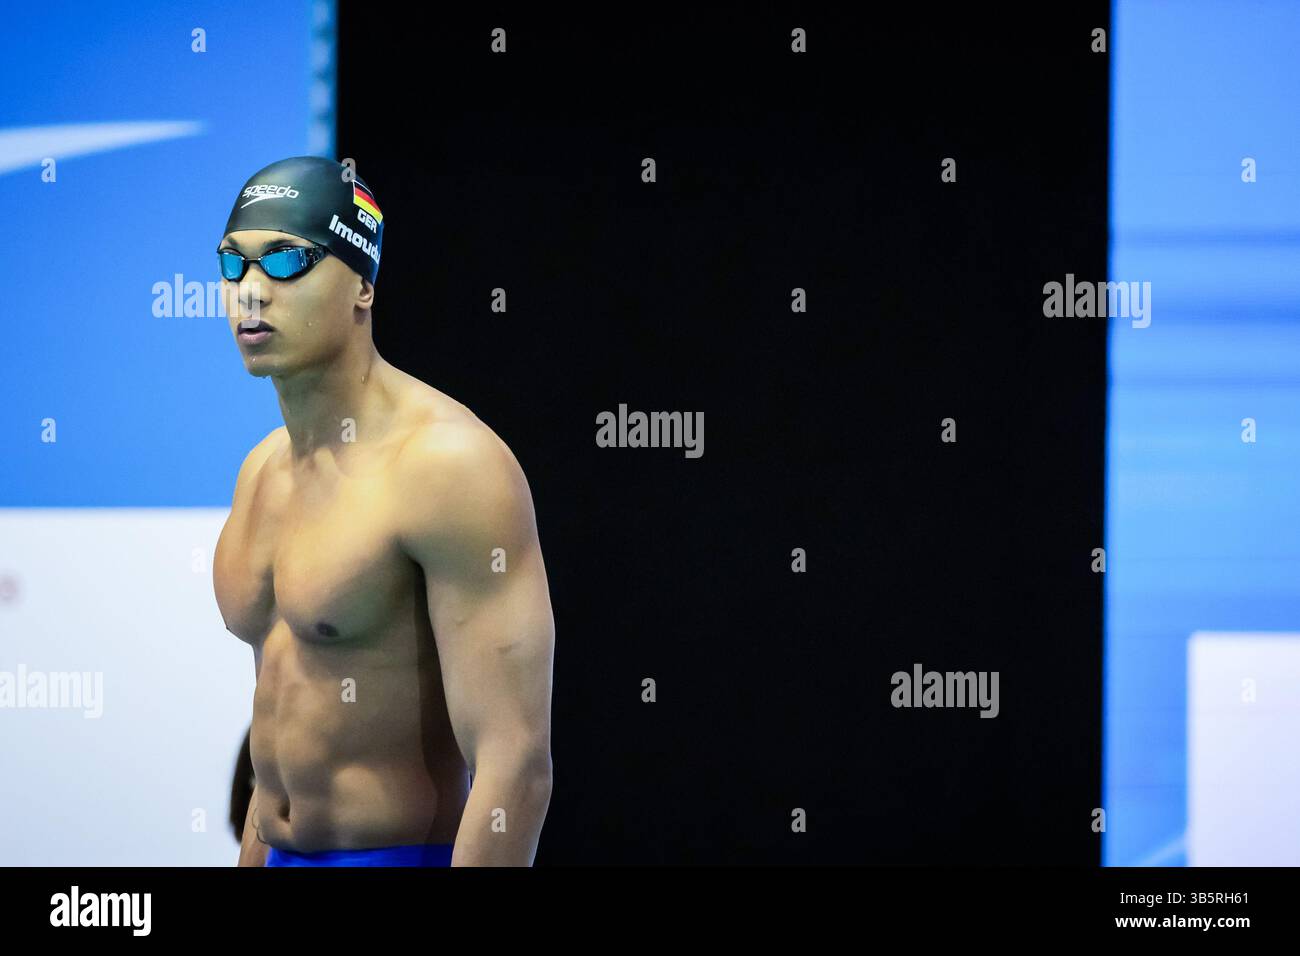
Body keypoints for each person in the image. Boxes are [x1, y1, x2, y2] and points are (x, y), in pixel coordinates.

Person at [212, 156, 555, 867]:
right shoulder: (261, 474)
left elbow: (515, 763)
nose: (251, 290)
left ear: (362, 283)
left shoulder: (448, 466)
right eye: (234, 263)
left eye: (286, 260)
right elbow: (276, 717)